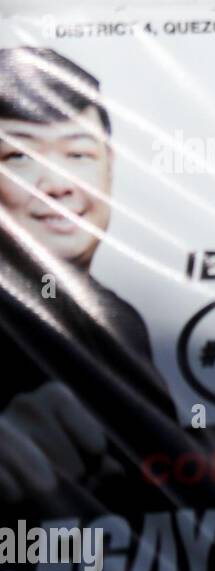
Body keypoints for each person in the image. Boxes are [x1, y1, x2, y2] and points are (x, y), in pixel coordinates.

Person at [0, 47, 177, 504]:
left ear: (110, 168)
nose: (58, 184)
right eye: (19, 156)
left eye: (78, 154)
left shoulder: (119, 319)